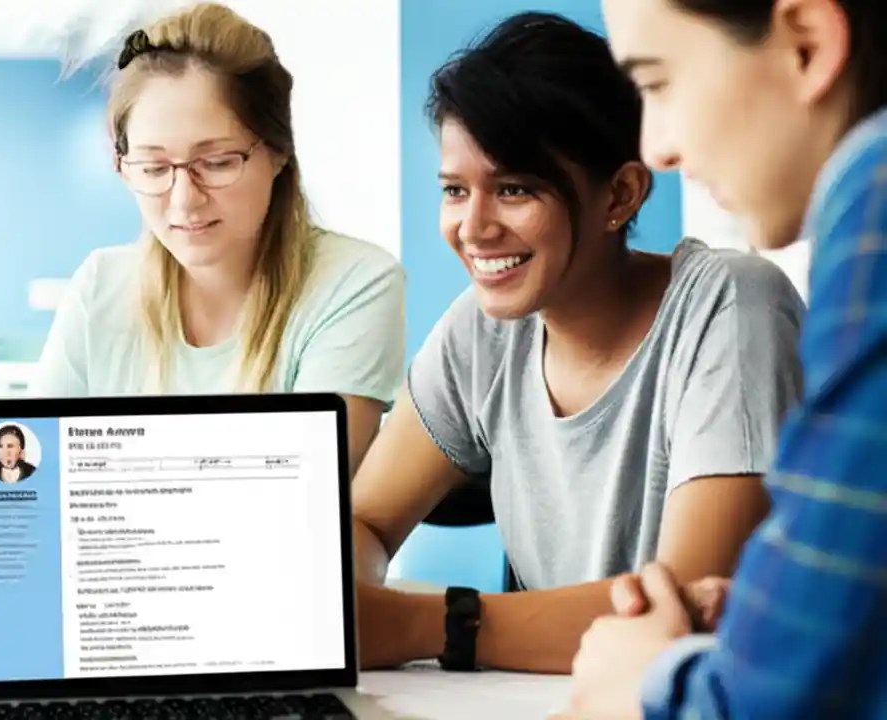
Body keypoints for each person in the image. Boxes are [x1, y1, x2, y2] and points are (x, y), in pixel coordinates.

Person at [350, 11, 807, 674]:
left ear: (620, 194)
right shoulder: (481, 330)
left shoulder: (730, 306)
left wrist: (428, 625)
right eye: (454, 190)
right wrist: (356, 605)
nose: (472, 228)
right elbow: (363, 523)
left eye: (513, 189)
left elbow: (679, 612)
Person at [561, 0, 887, 717]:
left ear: (805, 44)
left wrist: (644, 683)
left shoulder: (876, 199)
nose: (657, 149)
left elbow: (764, 704)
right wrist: (770, 613)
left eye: (659, 83)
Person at [33, 2, 405, 472]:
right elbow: (37, 475)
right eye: (153, 168)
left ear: (278, 152)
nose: (184, 200)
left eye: (217, 163)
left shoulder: (355, 283)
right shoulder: (99, 286)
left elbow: (307, 503)